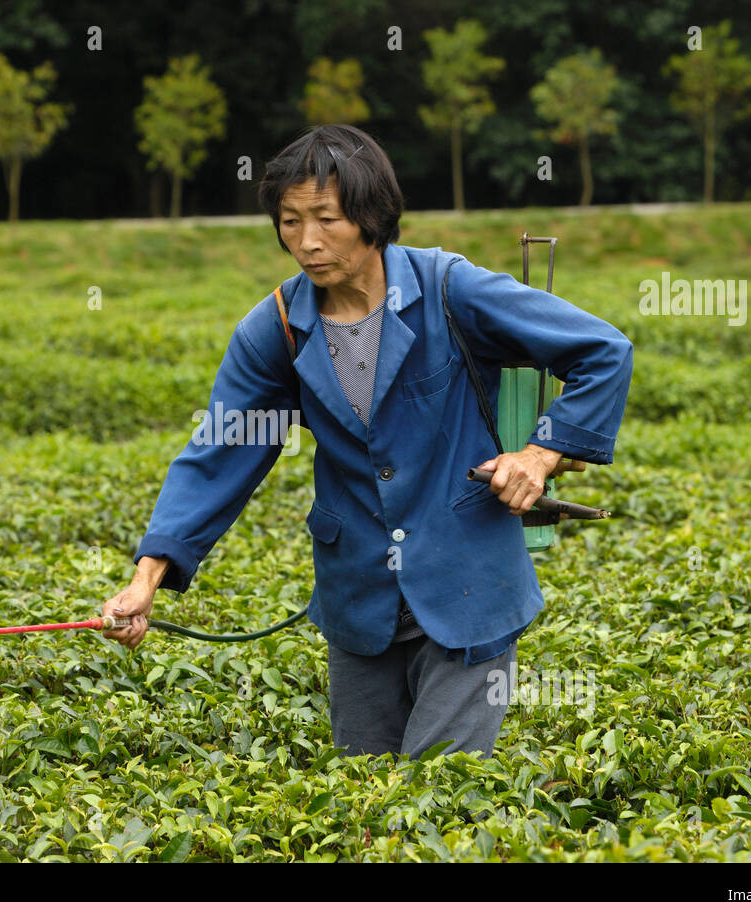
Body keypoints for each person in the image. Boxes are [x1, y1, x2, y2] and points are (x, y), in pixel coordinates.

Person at [101, 124, 633, 760]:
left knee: (440, 797)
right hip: (358, 601)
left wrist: (539, 454)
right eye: (290, 221)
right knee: (366, 799)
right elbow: (220, 455)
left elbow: (603, 351)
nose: (307, 242)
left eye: (326, 218)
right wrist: (147, 577)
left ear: (371, 215)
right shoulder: (277, 329)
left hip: (467, 584)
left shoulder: (446, 289)